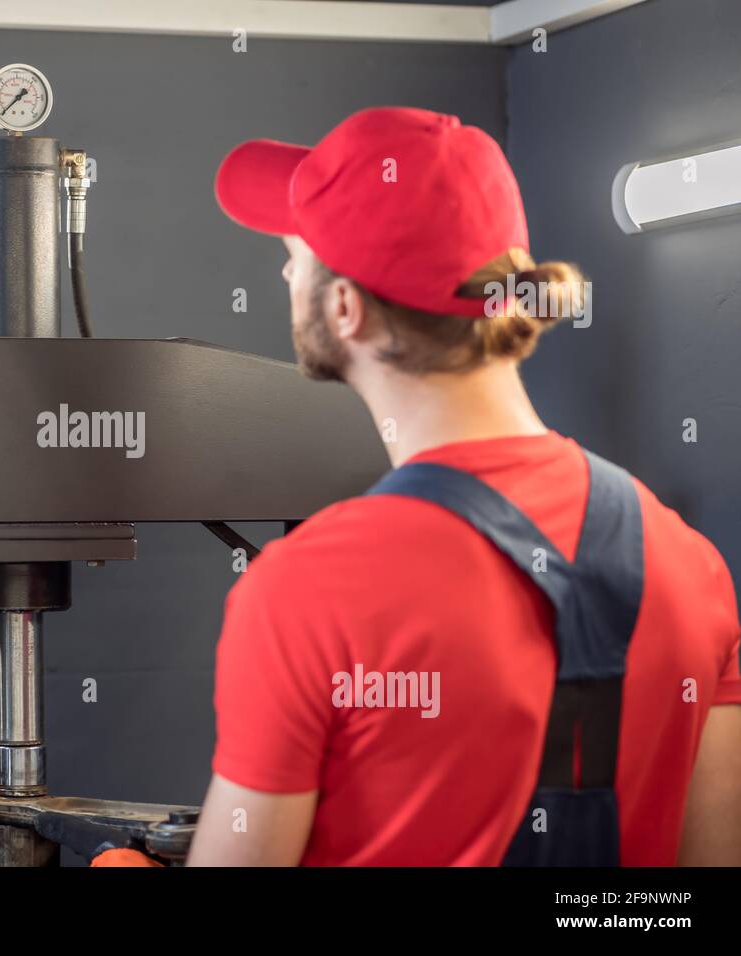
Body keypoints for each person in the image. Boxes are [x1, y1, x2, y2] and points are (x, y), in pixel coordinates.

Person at [186, 107, 741, 866]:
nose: (285, 272)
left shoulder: (303, 591)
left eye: (296, 253)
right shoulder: (690, 564)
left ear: (345, 308)